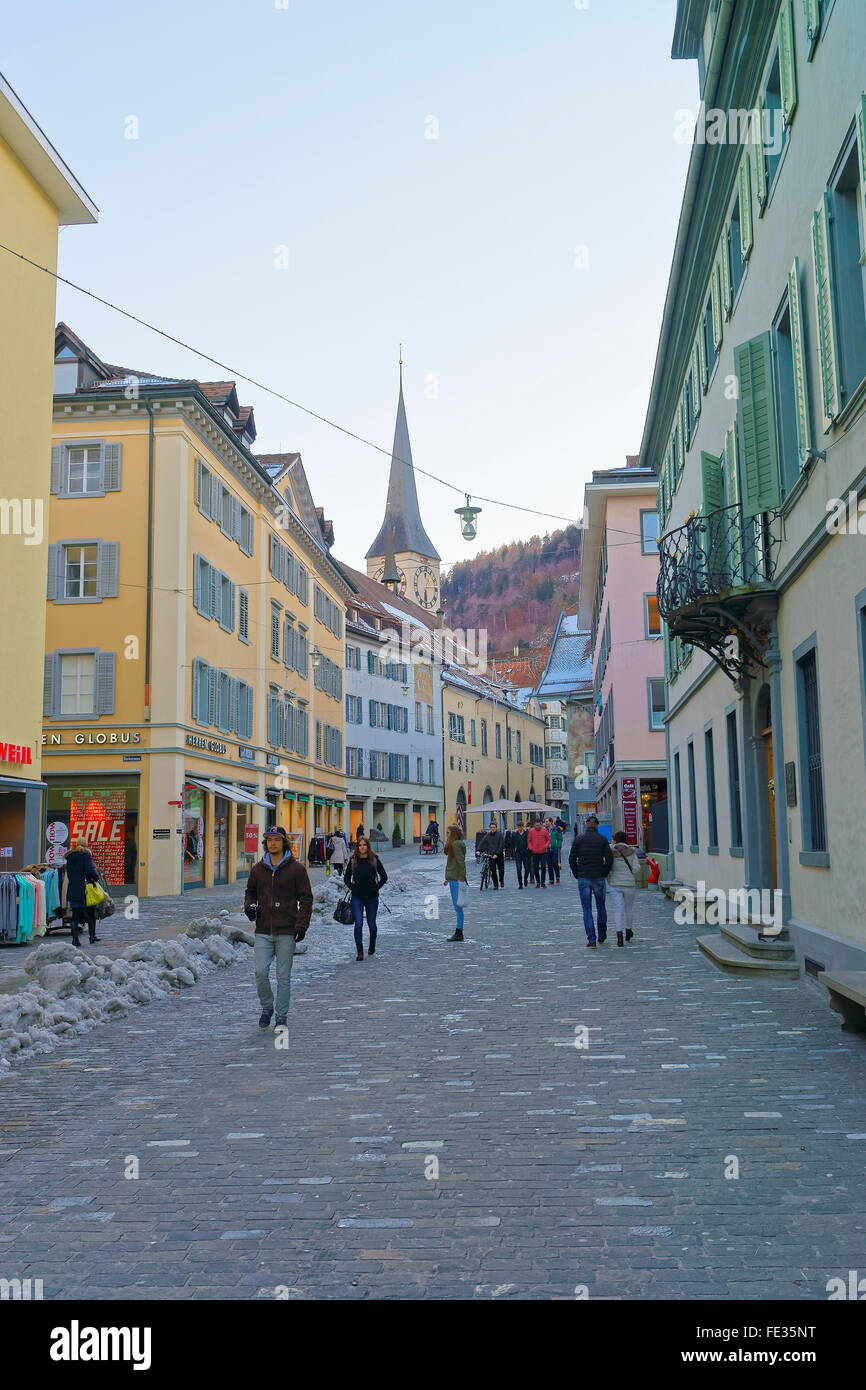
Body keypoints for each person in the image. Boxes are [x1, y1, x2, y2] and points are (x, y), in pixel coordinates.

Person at [244, 827, 313, 1029]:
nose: (273, 843)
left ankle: (281, 1016)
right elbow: (250, 892)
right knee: (260, 972)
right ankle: (267, 1007)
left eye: (277, 840)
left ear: (284, 843)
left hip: (286, 930)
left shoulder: (297, 870)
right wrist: (249, 907)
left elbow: (306, 899)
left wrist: (302, 924)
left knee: (283, 977)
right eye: (269, 840)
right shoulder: (258, 869)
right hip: (264, 930)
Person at [569, 815, 614, 947]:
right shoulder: (602, 839)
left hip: (584, 876)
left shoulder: (579, 839)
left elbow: (572, 859)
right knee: (601, 907)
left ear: (586, 825)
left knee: (587, 908)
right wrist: (604, 872)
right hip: (599, 876)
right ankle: (602, 935)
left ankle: (591, 939)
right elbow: (609, 859)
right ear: (597, 826)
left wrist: (577, 873)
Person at [344, 834, 388, 961]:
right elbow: (346, 878)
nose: (362, 847)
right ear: (357, 847)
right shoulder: (353, 861)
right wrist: (352, 887)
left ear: (368, 847)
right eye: (360, 845)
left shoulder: (374, 860)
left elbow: (384, 877)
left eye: (364, 845)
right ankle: (359, 951)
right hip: (357, 897)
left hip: (372, 897)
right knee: (358, 923)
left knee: (372, 924)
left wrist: (376, 887)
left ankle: (372, 946)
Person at [64, 844, 101, 946]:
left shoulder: (69, 857)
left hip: (73, 888)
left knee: (74, 916)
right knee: (91, 914)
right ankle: (92, 937)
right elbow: (89, 869)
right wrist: (96, 877)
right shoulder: (86, 855)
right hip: (86, 889)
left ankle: (75, 940)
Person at [608, 831, 638, 946]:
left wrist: (611, 875)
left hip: (615, 883)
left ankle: (619, 936)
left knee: (618, 910)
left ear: (615, 840)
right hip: (629, 884)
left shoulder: (611, 852)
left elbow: (608, 867)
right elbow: (636, 868)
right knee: (628, 909)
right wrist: (630, 873)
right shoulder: (631, 852)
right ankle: (628, 931)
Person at [444, 824, 467, 941]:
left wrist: (461, 878)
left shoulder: (456, 844)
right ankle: (459, 932)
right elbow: (452, 863)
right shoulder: (454, 844)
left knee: (458, 907)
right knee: (457, 907)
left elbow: (461, 862)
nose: (446, 835)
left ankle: (459, 932)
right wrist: (447, 878)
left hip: (456, 880)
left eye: (448, 833)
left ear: (452, 834)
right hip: (453, 878)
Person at [478, 818, 505, 889]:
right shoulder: (487, 835)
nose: (492, 829)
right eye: (491, 827)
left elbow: (501, 845)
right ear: (489, 828)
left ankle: (501, 880)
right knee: (493, 871)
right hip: (491, 855)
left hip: (499, 855)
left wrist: (497, 854)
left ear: (496, 828)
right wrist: (478, 850)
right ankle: (496, 885)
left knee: (501, 870)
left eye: (494, 827)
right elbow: (482, 842)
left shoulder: (500, 835)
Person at [527, 818, 551, 887]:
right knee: (536, 868)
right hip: (534, 852)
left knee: (543, 867)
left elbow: (549, 839)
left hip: (543, 852)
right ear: (534, 824)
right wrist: (531, 847)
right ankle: (538, 882)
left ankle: (542, 882)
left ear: (541, 824)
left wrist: (545, 846)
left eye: (538, 825)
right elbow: (529, 840)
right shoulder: (531, 831)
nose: (537, 826)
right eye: (536, 825)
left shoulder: (545, 831)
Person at [512, 820, 530, 889]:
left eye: (521, 827)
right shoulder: (514, 834)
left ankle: (525, 878)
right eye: (519, 827)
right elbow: (512, 845)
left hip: (525, 853)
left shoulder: (526, 833)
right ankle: (520, 884)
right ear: (517, 827)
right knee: (519, 869)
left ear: (523, 827)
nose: (520, 828)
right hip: (518, 854)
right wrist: (513, 853)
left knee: (527, 868)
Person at [547, 819, 563, 885]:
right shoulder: (545, 830)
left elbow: (560, 838)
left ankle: (557, 876)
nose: (546, 823)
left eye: (547, 821)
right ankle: (551, 880)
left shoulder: (557, 829)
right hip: (547, 848)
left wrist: (558, 845)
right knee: (549, 865)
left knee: (555, 863)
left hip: (555, 848)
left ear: (551, 822)